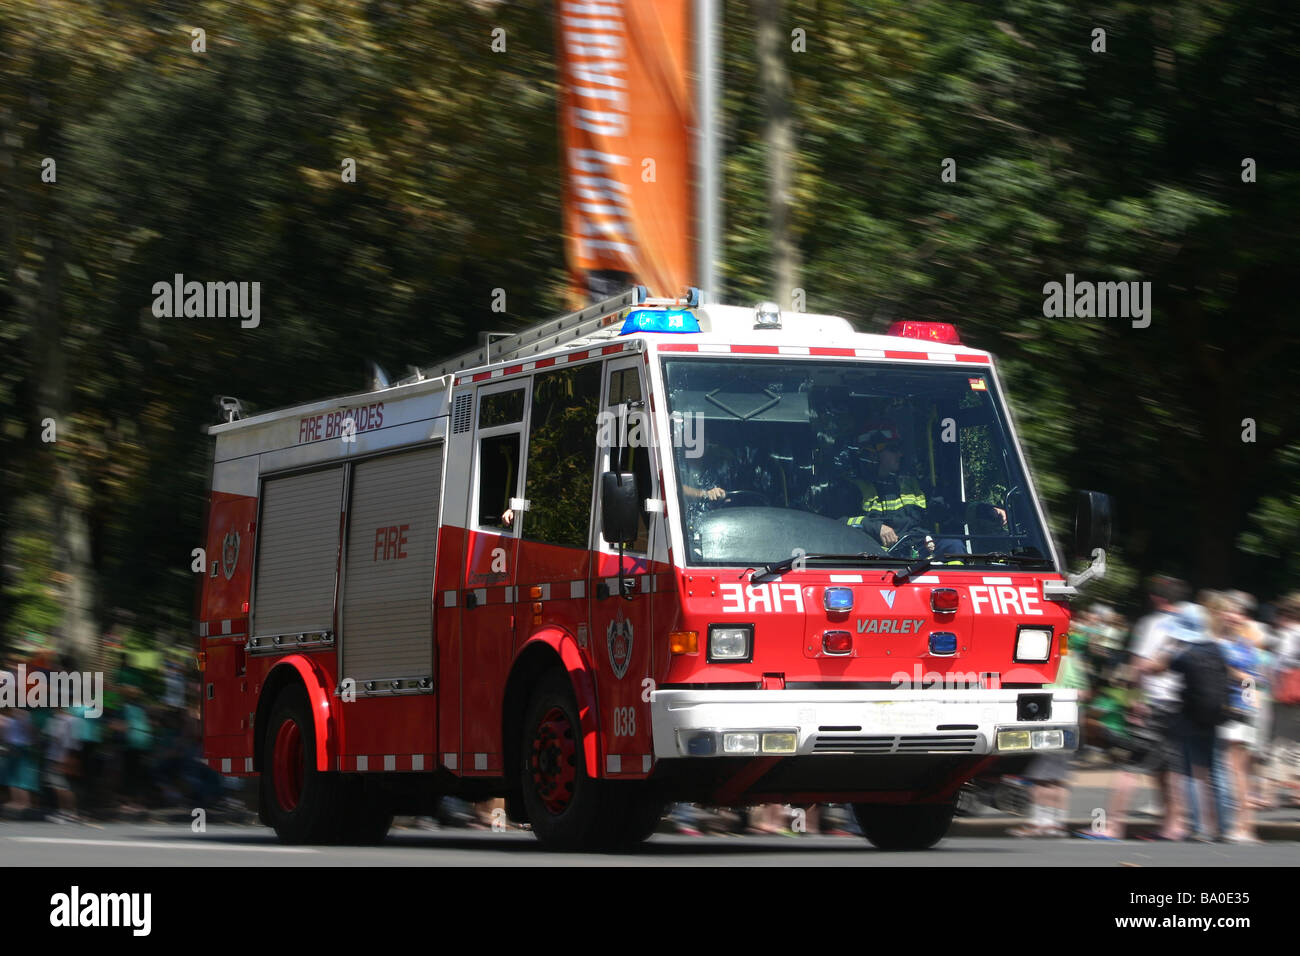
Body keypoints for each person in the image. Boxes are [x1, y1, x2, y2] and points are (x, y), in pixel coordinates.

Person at [1143, 602, 1230, 841]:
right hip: (1214, 716)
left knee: (1192, 772)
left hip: (1189, 716)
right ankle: (1223, 827)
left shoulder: (1184, 655)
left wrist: (1170, 643)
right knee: (1216, 772)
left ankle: (1199, 827)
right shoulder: (1217, 649)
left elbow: (1151, 668)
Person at [1128, 575, 1190, 838]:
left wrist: (1134, 699)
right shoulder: (1192, 623)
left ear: (1157, 598)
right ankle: (1176, 822)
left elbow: (1138, 666)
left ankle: (1174, 824)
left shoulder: (1153, 624)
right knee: (1173, 765)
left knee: (1157, 766)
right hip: (1186, 701)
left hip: (1157, 700)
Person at [1209, 592, 1265, 842]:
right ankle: (1242, 825)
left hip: (1236, 711)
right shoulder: (1228, 642)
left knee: (1236, 769)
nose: (1232, 616)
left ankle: (1243, 826)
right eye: (1228, 611)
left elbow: (1251, 678)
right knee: (1236, 769)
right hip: (1230, 710)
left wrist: (1244, 694)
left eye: (1236, 612)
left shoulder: (1241, 644)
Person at [843, 424, 930, 551]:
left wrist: (925, 537)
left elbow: (926, 519)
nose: (900, 454)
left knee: (952, 545)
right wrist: (877, 528)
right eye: (893, 449)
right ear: (872, 453)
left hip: (913, 556)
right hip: (873, 561)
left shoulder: (911, 485)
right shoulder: (850, 488)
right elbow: (836, 523)